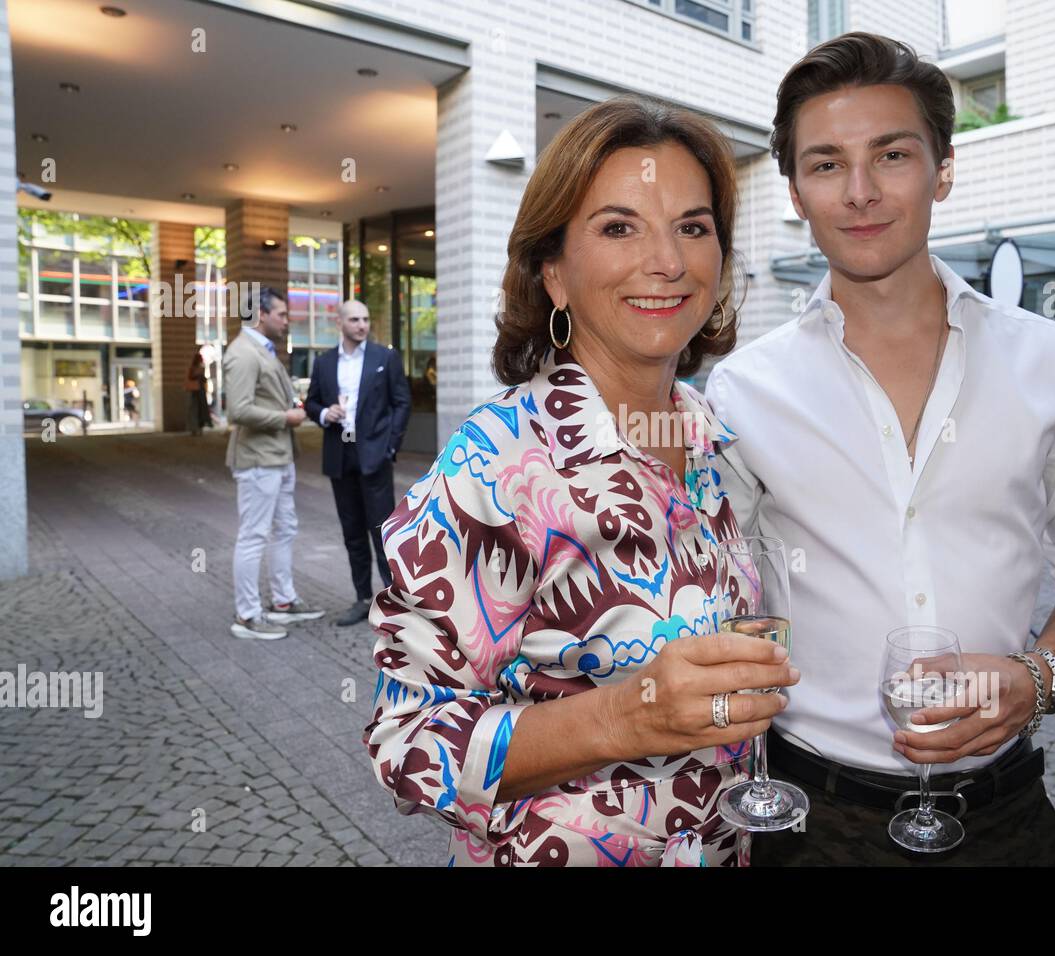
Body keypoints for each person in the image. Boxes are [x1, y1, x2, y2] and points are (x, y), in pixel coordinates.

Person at [705, 32, 1055, 866]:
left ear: (942, 168)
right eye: (826, 164)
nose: (860, 192)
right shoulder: (740, 391)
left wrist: (1039, 676)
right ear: (794, 190)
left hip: (1006, 819)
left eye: (891, 155)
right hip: (810, 823)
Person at [362, 96, 798, 867]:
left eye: (693, 227)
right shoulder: (498, 462)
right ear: (554, 271)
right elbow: (409, 744)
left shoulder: (712, 437)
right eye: (619, 226)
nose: (666, 260)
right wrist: (628, 717)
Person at [223, 286, 325, 640]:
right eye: (281, 314)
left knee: (284, 529)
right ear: (260, 315)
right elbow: (237, 410)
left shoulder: (262, 350)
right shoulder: (243, 353)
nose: (287, 320)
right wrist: (285, 417)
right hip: (257, 460)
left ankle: (283, 602)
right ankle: (247, 616)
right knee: (253, 535)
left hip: (278, 457)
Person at [305, 300, 411, 627]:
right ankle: (362, 598)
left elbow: (401, 401)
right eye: (354, 319)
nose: (362, 325)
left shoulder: (385, 358)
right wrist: (325, 413)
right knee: (352, 531)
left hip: (374, 456)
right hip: (341, 453)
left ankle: (394, 603)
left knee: (382, 530)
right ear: (339, 323)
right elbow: (311, 401)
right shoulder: (323, 363)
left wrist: (390, 446)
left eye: (365, 318)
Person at [186, 349, 213, 435]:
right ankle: (194, 428)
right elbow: (190, 377)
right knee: (194, 410)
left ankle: (200, 428)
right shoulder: (193, 368)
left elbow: (204, 379)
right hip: (195, 392)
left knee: (201, 410)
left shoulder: (202, 368)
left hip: (201, 392)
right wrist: (197, 376)